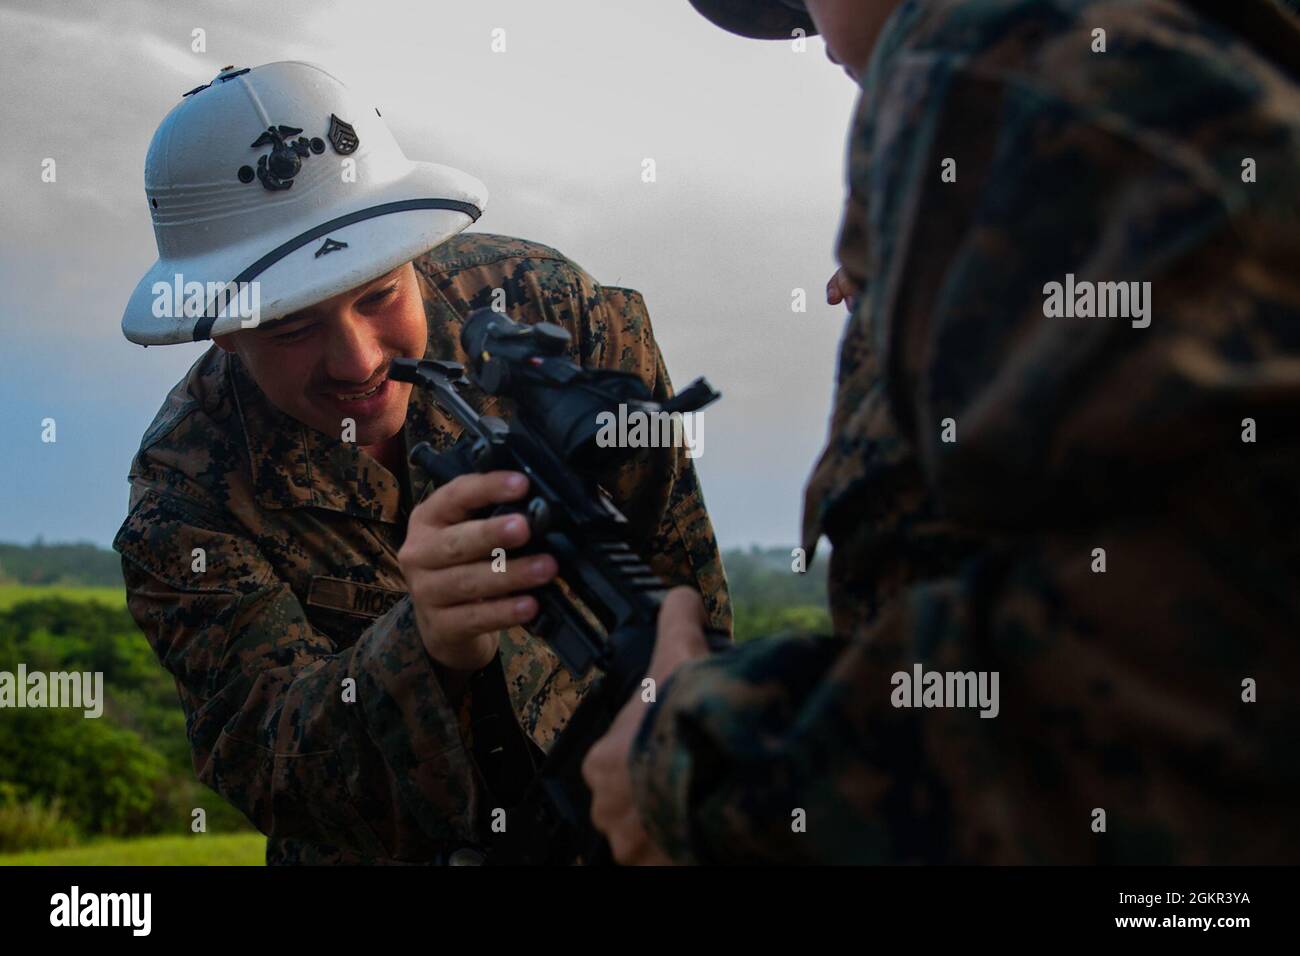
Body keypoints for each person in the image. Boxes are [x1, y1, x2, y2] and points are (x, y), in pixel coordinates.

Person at [583, 0, 1300, 864]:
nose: (816, 42)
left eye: (808, 9)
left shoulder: (992, 45)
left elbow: (1222, 669)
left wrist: (702, 772)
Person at [113, 60, 731, 865]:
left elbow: (684, 591)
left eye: (378, 295)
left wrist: (694, 774)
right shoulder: (183, 496)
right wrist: (426, 644)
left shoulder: (557, 316)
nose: (358, 360)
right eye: (291, 328)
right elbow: (271, 768)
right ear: (223, 331)